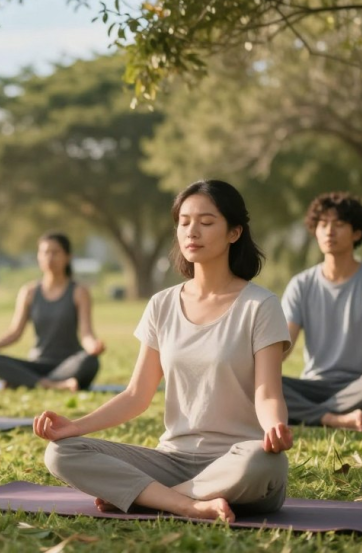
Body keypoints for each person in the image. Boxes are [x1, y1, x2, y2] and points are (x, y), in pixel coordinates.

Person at [35, 180, 292, 523]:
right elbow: (136, 395)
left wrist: (275, 426)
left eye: (206, 221)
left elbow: (267, 393)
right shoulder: (162, 304)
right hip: (171, 460)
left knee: (264, 462)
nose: (191, 231)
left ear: (234, 232)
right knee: (61, 454)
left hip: (236, 461)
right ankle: (185, 504)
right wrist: (74, 428)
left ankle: (148, 497)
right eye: (184, 222)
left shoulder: (260, 305)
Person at [281, 192, 362, 431]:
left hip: (360, 386)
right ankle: (332, 418)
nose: (329, 231)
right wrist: (257, 366)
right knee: (253, 383)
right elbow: (284, 343)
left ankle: (306, 414)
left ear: (357, 233)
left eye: (339, 225)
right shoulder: (301, 284)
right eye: (323, 224)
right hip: (312, 387)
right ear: (315, 230)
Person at [0, 232, 105, 391]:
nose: (49, 258)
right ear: (38, 256)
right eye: (45, 252)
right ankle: (50, 384)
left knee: (90, 361)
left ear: (68, 256)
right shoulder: (29, 292)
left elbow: (86, 333)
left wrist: (93, 347)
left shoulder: (79, 292)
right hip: (36, 364)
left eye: (55, 252)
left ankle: (26, 381)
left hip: (68, 364)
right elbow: (15, 333)